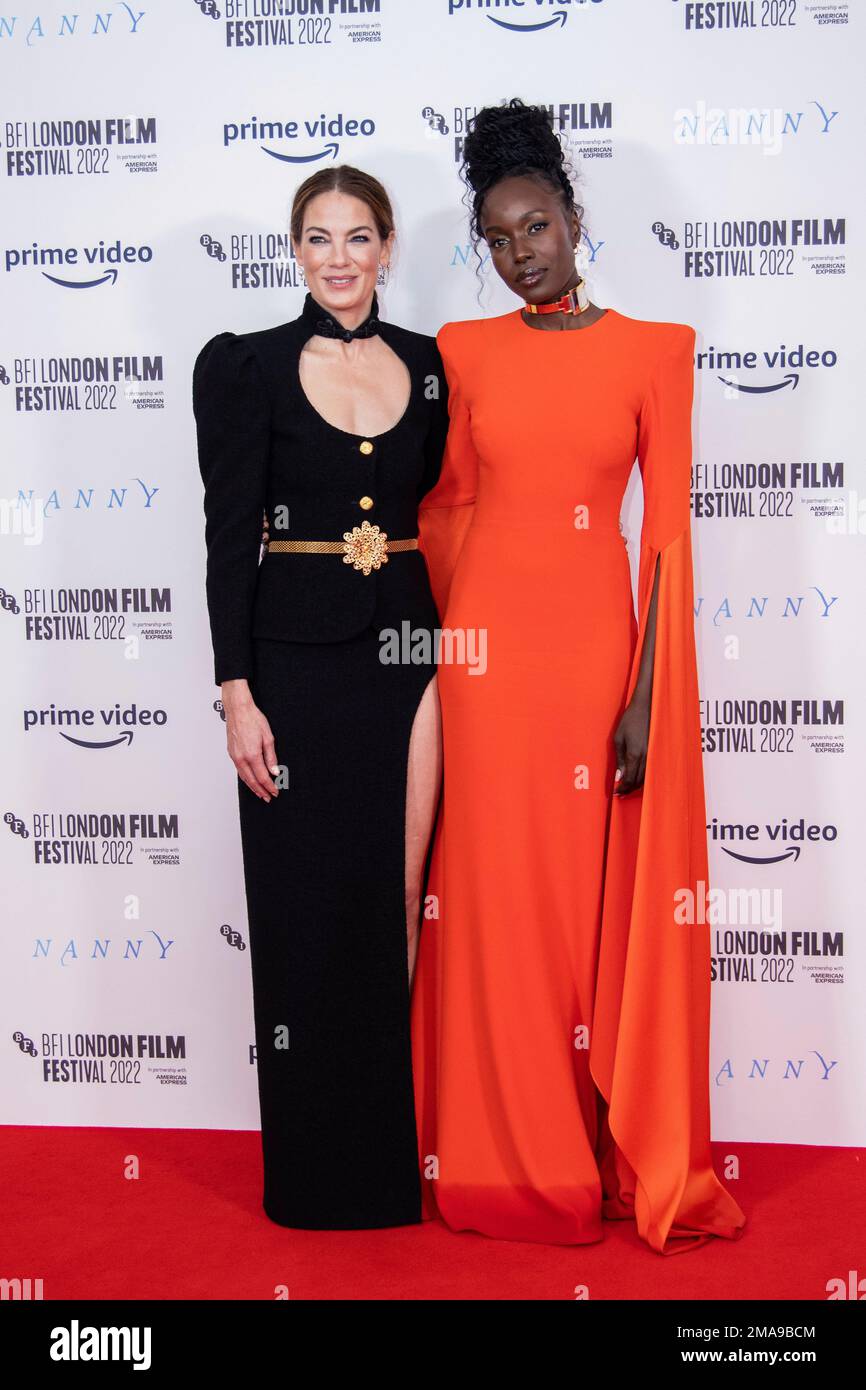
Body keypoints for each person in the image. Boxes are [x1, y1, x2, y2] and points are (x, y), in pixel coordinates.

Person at [410, 99, 747, 1254]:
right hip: (486, 670)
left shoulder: (655, 350)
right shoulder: (461, 352)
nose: (520, 253)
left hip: (598, 661)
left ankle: (606, 1144)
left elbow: (665, 541)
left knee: (584, 920)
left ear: (571, 216)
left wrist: (648, 689)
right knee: (496, 910)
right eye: (498, 239)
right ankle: (511, 1161)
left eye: (535, 226)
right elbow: (445, 510)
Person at [193, 166, 447, 1230]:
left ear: (387, 247)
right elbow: (225, 537)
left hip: (405, 658)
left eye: (357, 236)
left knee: (393, 899)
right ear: (294, 252)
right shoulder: (243, 365)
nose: (337, 257)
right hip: (290, 666)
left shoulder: (434, 367)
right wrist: (234, 693)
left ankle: (387, 1164)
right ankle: (311, 1172)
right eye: (317, 238)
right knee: (301, 914)